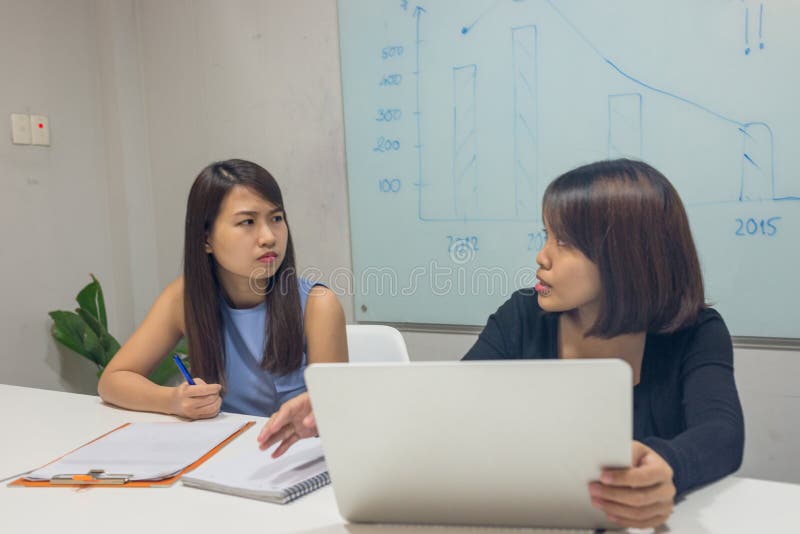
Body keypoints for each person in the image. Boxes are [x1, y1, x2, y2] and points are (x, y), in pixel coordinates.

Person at [463, 159, 744, 529]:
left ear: (625, 257)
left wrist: (667, 465)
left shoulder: (696, 332)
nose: (542, 256)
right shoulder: (523, 316)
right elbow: (456, 407)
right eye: (546, 235)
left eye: (564, 241)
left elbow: (723, 434)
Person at [98, 159, 347, 457]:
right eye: (247, 222)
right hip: (220, 455)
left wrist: (318, 411)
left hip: (294, 457)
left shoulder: (318, 304)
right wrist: (174, 400)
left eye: (276, 218)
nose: (269, 237)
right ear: (206, 239)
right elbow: (113, 380)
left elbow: (335, 416)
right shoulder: (184, 298)